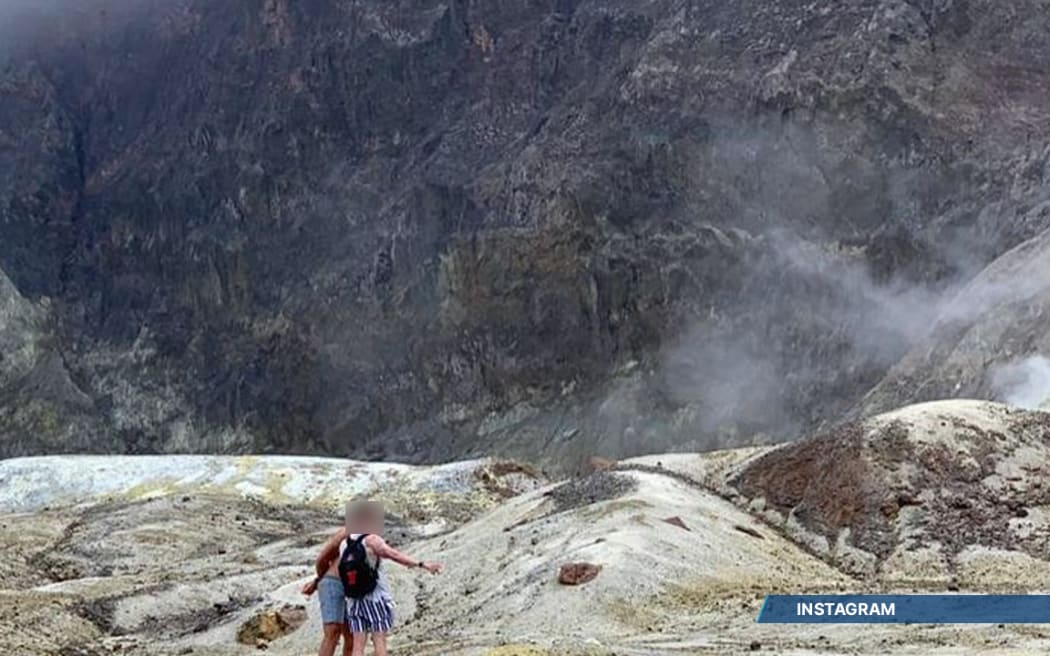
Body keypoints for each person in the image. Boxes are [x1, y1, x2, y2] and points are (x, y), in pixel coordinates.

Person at [308, 501, 443, 656]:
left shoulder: (345, 543)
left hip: (354, 599)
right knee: (378, 640)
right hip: (373, 597)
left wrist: (317, 581)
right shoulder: (370, 539)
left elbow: (328, 559)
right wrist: (422, 564)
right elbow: (394, 555)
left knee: (356, 643)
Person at [301, 526, 354, 656]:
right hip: (333, 582)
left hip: (350, 589)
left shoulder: (371, 537)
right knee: (333, 632)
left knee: (352, 635)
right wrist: (318, 579)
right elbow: (322, 558)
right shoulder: (346, 532)